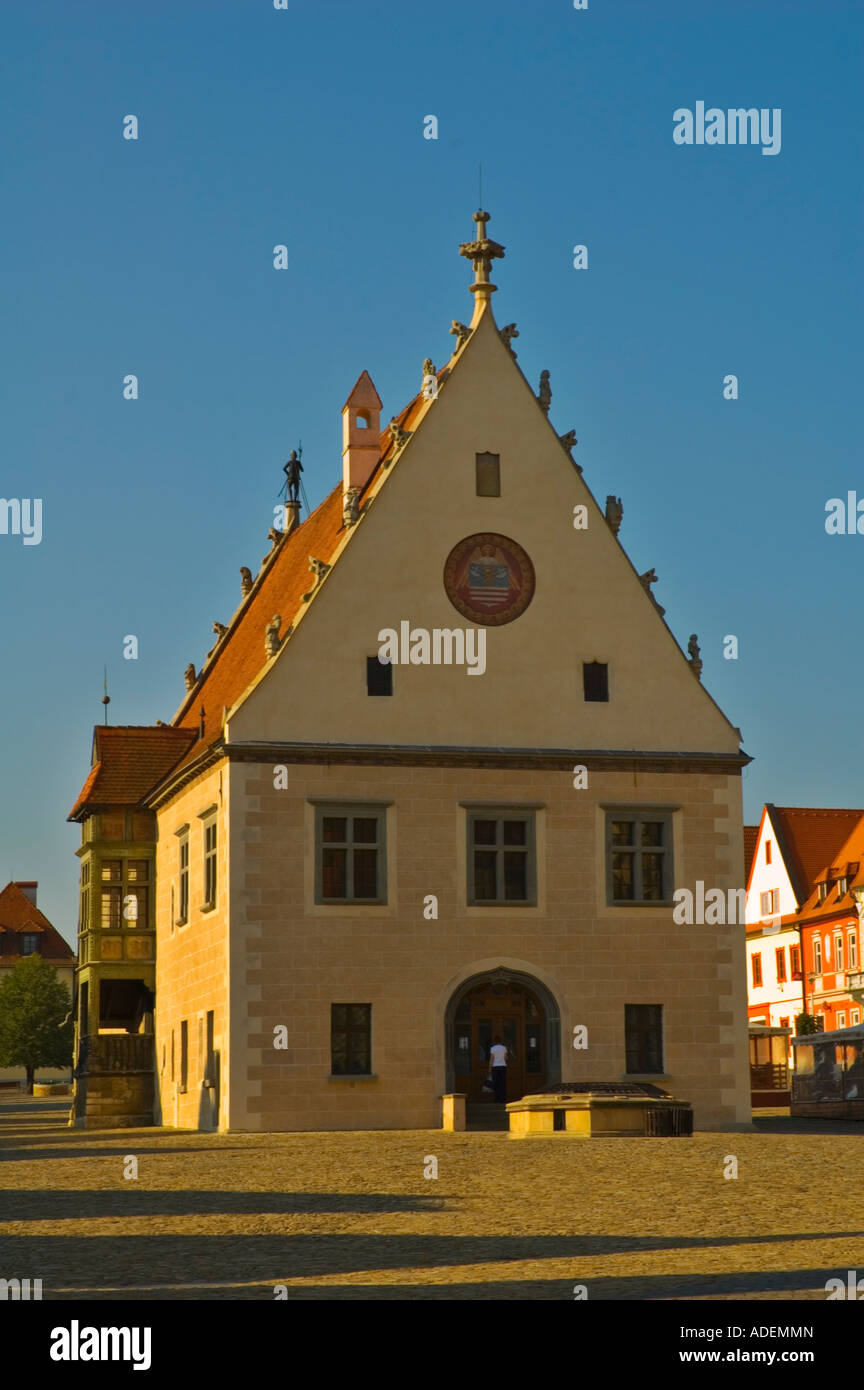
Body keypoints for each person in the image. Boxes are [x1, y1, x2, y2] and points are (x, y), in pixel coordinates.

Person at [488, 1035, 508, 1104]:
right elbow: (506, 1058)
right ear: (500, 1041)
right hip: (503, 1066)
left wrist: (489, 1068)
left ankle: (496, 1099)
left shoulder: (493, 1048)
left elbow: (491, 1059)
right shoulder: (504, 1048)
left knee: (496, 1084)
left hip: (495, 1067)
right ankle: (503, 1099)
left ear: (494, 1041)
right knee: (502, 1083)